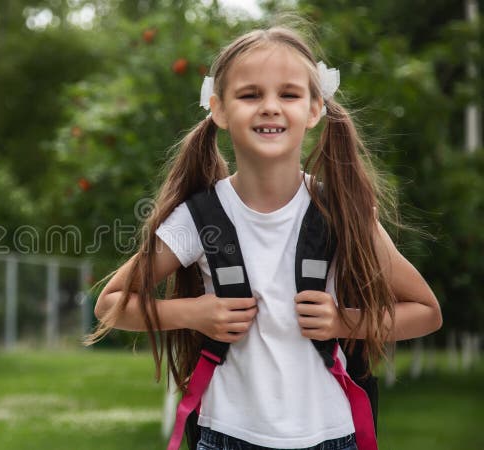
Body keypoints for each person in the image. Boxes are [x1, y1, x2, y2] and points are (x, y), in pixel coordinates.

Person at [86, 24, 442, 450]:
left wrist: (344, 321)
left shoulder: (342, 212)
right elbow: (110, 304)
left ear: (314, 109)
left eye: (288, 94)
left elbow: (426, 312)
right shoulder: (200, 218)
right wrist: (193, 313)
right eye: (250, 95)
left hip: (331, 436)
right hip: (226, 435)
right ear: (219, 110)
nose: (270, 107)